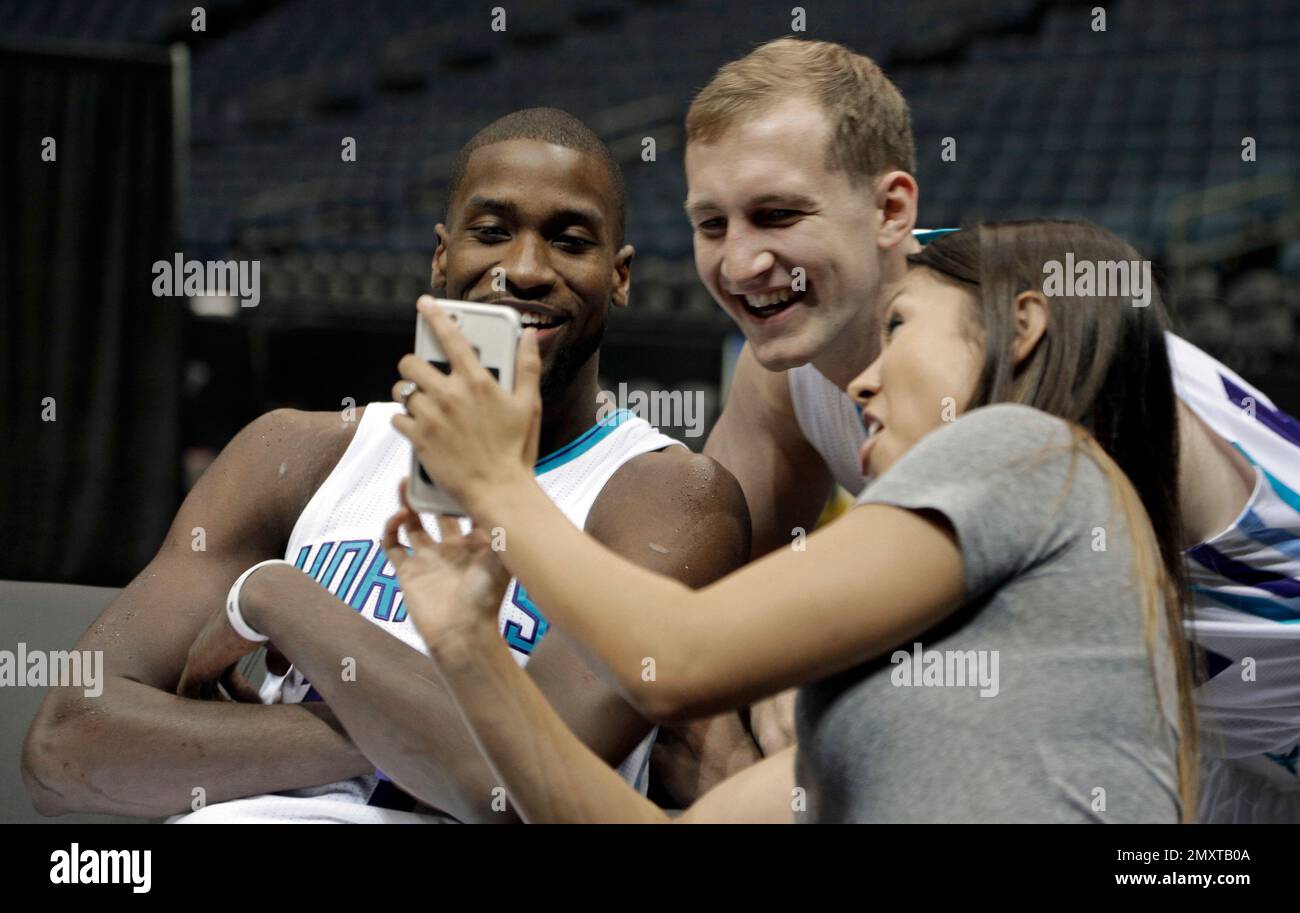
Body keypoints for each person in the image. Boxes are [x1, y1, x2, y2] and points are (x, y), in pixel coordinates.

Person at [21, 108, 753, 823]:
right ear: (442, 255)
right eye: (491, 232)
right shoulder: (293, 454)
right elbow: (64, 747)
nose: (525, 269)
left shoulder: (667, 496)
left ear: (620, 276)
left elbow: (516, 786)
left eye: (568, 240)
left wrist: (278, 598)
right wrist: (392, 728)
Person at [386, 220, 1201, 823]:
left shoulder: (1032, 449)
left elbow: (672, 657)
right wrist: (469, 644)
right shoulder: (899, 683)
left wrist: (497, 483)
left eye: (897, 326)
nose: (861, 384)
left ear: (1018, 329)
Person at [684, 36, 1300, 820]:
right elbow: (705, 586)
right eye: (710, 225)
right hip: (1202, 736)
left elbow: (703, 649)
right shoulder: (788, 376)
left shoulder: (1038, 372)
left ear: (891, 209)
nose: (739, 264)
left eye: (776, 214)